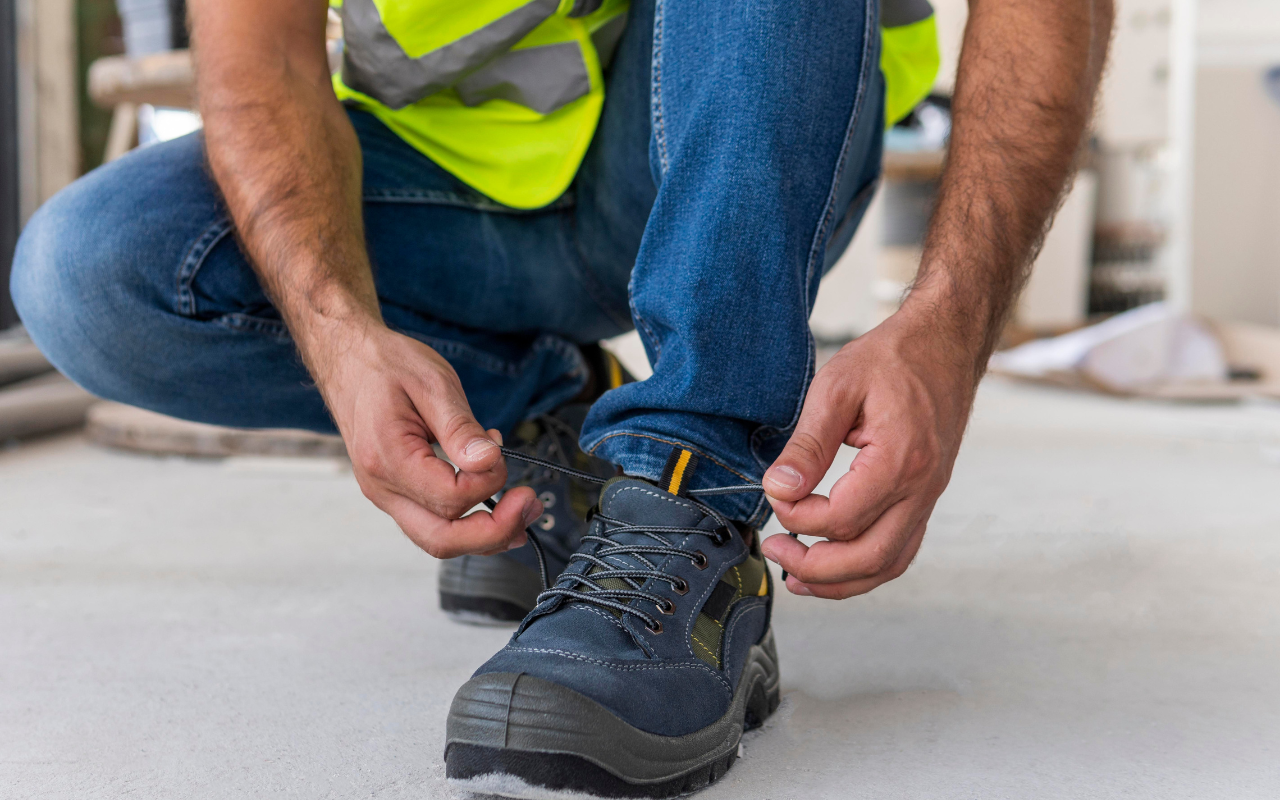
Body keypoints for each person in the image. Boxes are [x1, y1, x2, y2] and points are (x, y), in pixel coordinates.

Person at [10, 0, 1112, 795]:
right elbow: (264, 60)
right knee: (94, 270)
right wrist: (343, 337)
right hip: (455, 180)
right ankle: (556, 430)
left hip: (735, 140)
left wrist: (950, 328)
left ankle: (693, 476)